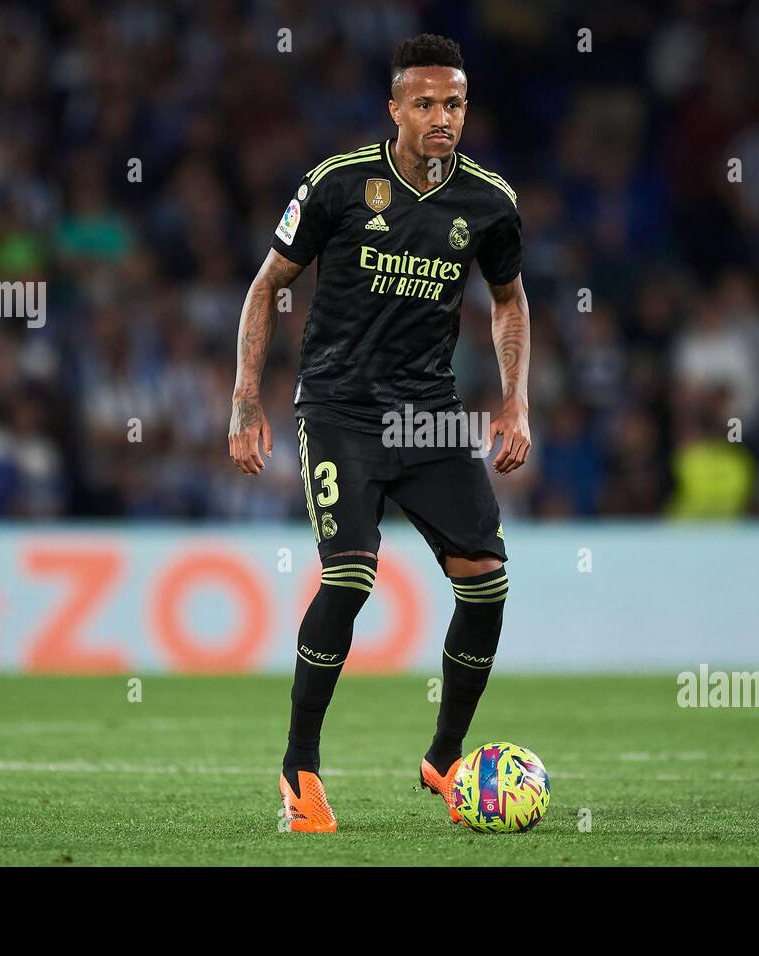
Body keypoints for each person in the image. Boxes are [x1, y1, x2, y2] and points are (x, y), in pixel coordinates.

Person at [228, 34, 531, 832]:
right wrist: (244, 400)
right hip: (338, 413)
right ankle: (299, 771)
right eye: (426, 103)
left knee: (487, 581)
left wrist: (515, 402)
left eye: (455, 104)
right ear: (395, 107)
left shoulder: (488, 202)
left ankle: (444, 756)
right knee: (351, 578)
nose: (442, 118)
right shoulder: (337, 184)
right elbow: (267, 288)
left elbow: (508, 300)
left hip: (427, 413)